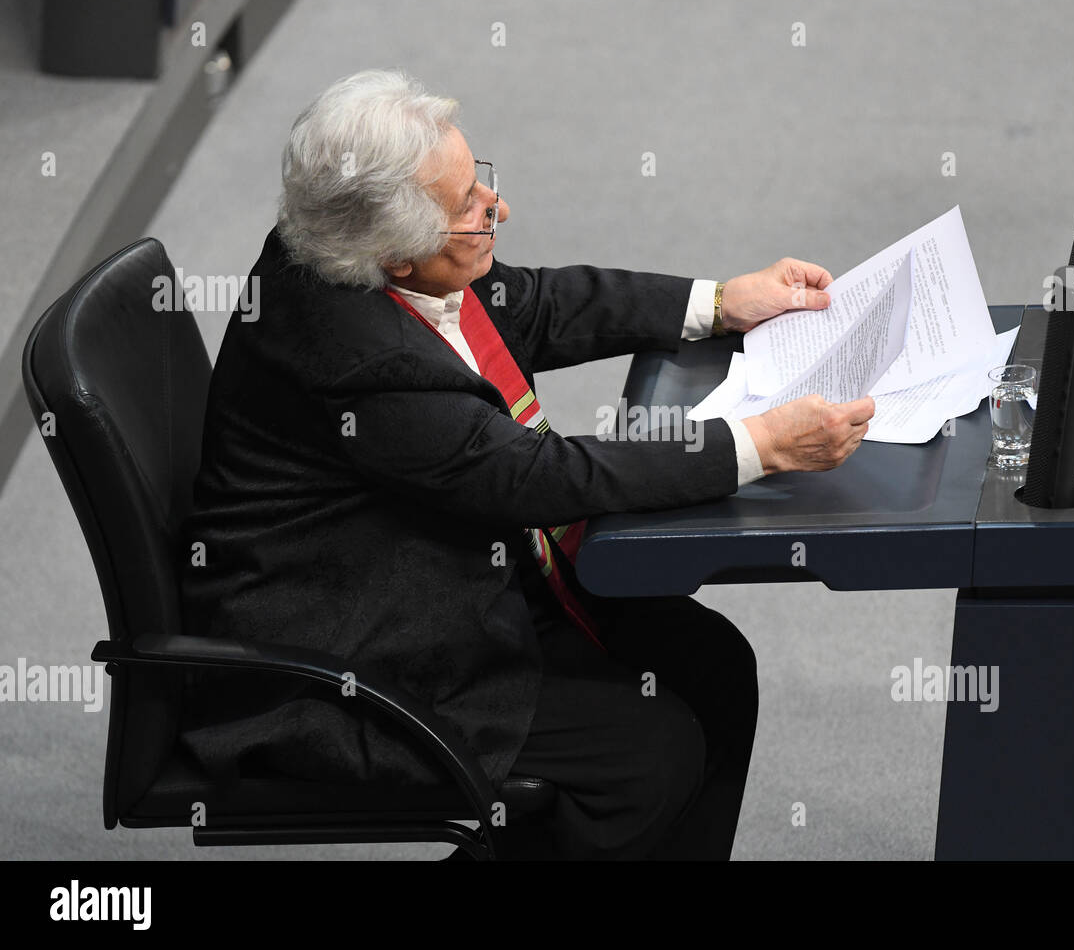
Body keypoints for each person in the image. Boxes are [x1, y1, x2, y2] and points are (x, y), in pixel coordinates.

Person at [178, 68, 874, 860]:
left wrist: (719, 301)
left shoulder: (349, 241)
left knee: (714, 670)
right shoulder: (359, 360)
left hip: (437, 563)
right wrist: (763, 445)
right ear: (397, 257)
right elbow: (540, 478)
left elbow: (532, 304)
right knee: (645, 761)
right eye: (470, 208)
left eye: (482, 181)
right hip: (355, 652)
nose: (497, 209)